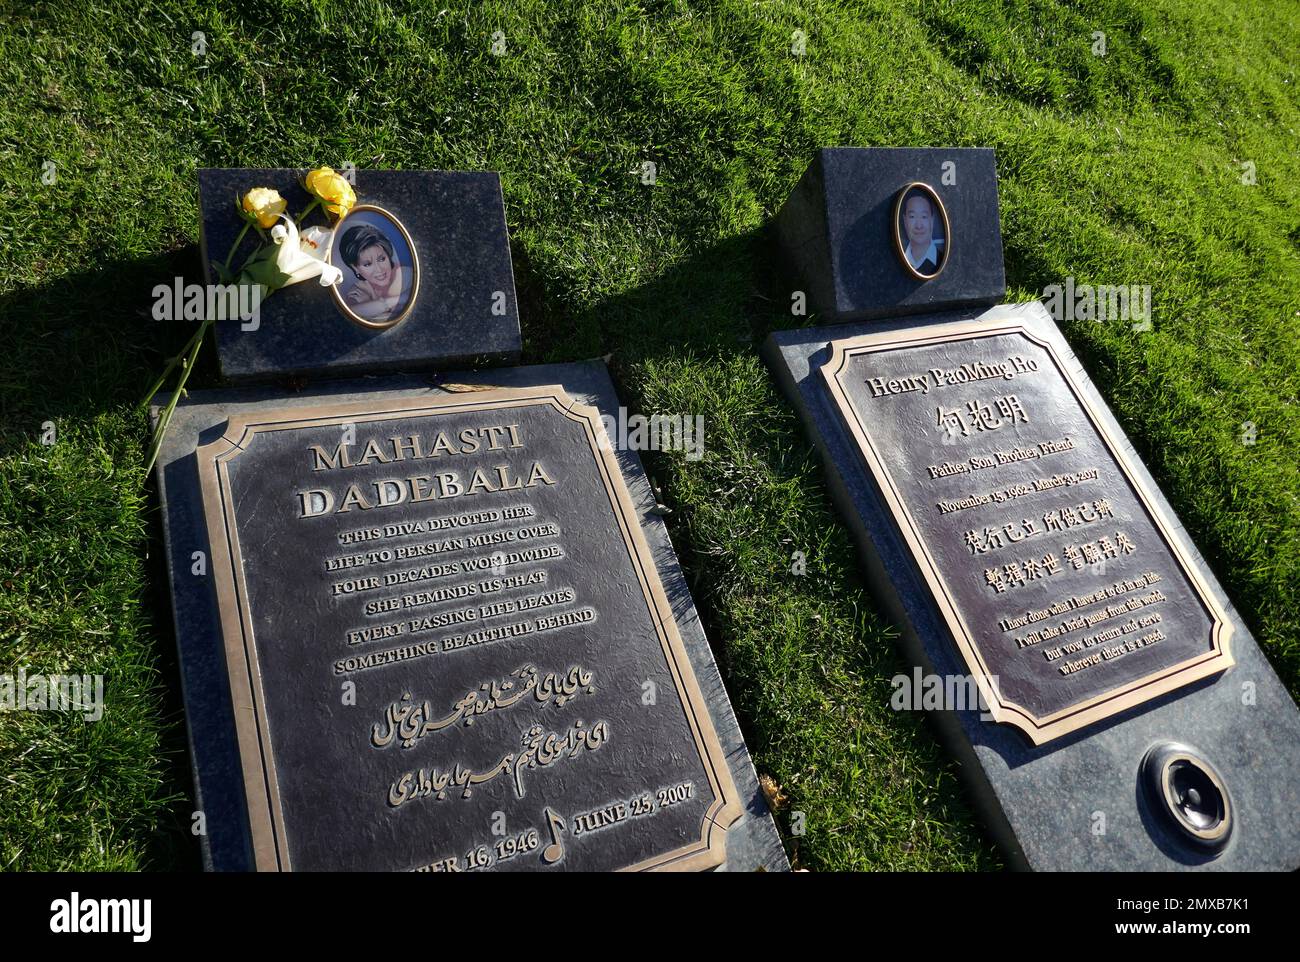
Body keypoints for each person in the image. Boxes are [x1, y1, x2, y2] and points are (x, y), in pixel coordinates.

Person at [339, 224, 409, 321]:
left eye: (382, 259)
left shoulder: (405, 274)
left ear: (388, 255)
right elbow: (352, 311)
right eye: (367, 264)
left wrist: (372, 303)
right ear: (355, 268)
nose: (379, 270)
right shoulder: (358, 291)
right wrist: (400, 299)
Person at [901, 191, 944, 275]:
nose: (919, 226)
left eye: (924, 217)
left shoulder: (941, 261)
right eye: (912, 217)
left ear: (932, 220)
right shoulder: (898, 262)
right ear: (905, 221)